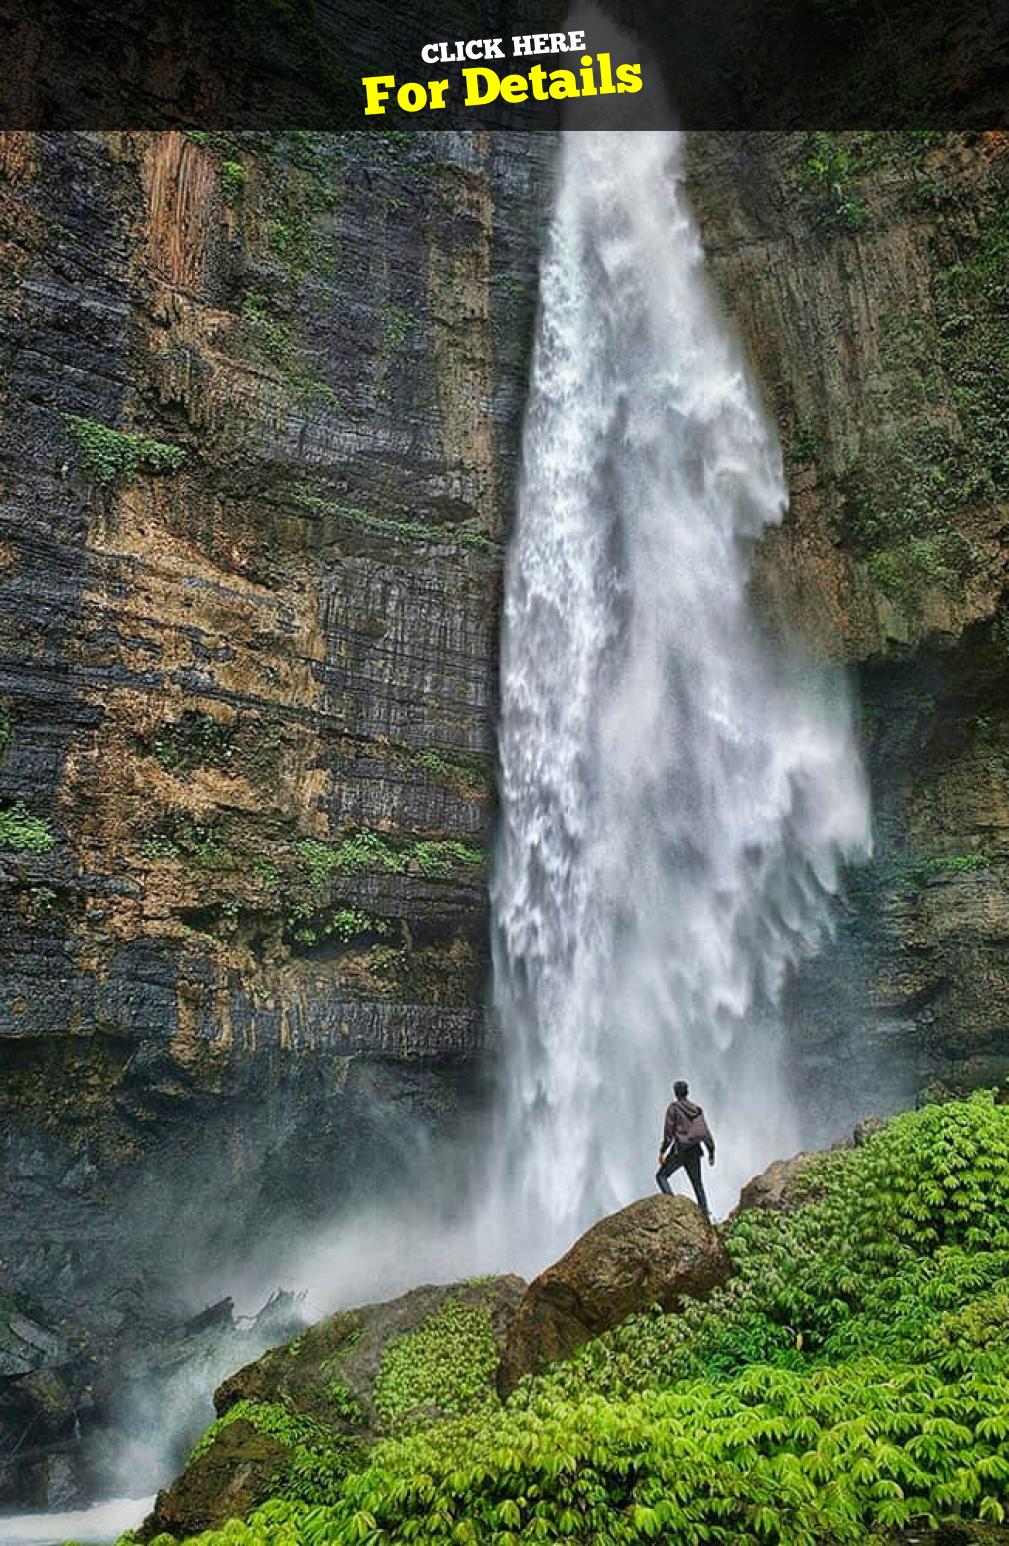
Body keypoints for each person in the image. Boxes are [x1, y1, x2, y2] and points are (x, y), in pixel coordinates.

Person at [656, 1079, 716, 1219]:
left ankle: (671, 1204)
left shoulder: (673, 1108)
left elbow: (668, 1134)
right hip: (695, 1151)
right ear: (687, 1092)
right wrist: (711, 1152)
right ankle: (705, 1214)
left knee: (661, 1176)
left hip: (679, 1151)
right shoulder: (696, 1109)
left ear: (675, 1093)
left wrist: (662, 1152)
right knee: (697, 1184)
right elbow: (705, 1132)